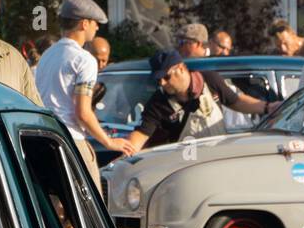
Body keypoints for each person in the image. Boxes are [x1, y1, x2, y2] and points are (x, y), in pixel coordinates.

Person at [34, 0, 128, 193]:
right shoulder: (84, 60)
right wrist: (109, 142)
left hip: (43, 140)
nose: (97, 28)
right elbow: (82, 112)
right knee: (89, 213)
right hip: (71, 142)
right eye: (95, 23)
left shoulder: (47, 56)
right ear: (84, 23)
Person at [120, 49, 280, 154]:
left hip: (216, 158)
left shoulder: (210, 80)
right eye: (158, 79)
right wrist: (126, 152)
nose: (162, 83)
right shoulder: (159, 102)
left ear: (181, 69)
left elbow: (236, 101)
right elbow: (141, 134)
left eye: (166, 77)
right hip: (182, 166)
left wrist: (267, 107)